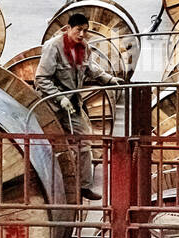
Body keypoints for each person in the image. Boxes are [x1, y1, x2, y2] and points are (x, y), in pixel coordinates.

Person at [34, 11, 122, 199]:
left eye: (85, 31)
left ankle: (83, 186)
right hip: (50, 105)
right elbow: (41, 79)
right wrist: (59, 97)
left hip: (72, 104)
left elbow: (90, 68)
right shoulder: (53, 47)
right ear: (68, 29)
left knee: (84, 142)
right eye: (78, 30)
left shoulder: (83, 47)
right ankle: (41, 185)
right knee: (45, 144)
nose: (82, 34)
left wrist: (109, 79)